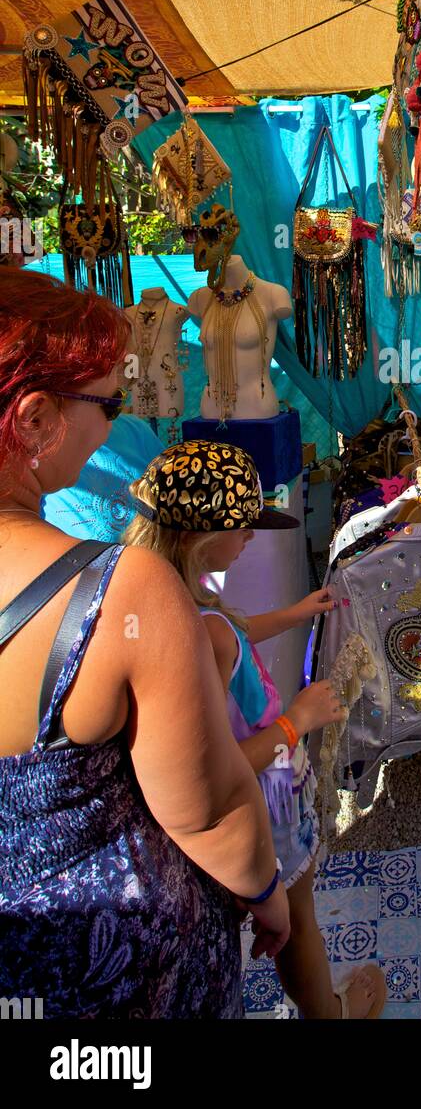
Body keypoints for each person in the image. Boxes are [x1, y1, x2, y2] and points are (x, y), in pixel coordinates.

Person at [0, 268, 290, 1018]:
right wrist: (268, 897)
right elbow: (208, 810)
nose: (116, 423)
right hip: (113, 973)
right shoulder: (121, 594)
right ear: (33, 420)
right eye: (107, 402)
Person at [125, 440, 388, 1019]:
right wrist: (299, 719)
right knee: (299, 924)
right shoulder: (206, 633)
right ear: (200, 537)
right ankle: (329, 1013)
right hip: (264, 797)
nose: (252, 538)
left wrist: (299, 612)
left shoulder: (177, 601)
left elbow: (237, 633)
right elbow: (217, 765)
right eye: (244, 527)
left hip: (250, 797)